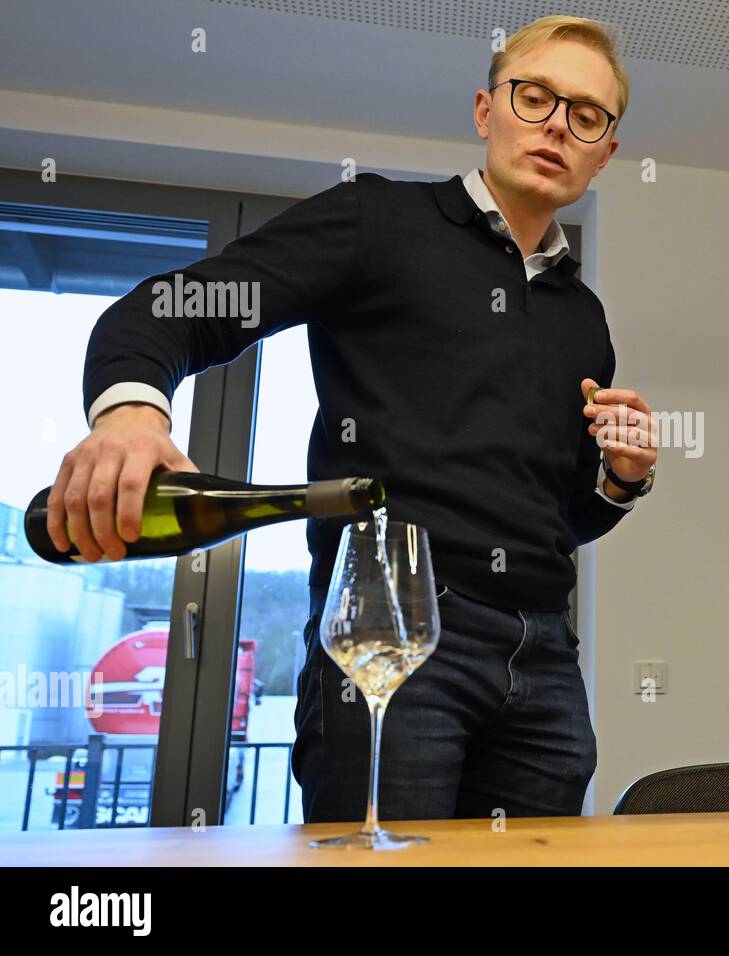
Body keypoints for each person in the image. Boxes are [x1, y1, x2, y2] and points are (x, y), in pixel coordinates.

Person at [44, 15, 656, 822]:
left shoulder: (586, 319)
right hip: (393, 632)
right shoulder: (375, 223)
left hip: (545, 662)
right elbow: (168, 310)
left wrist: (617, 481)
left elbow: (557, 517)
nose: (555, 126)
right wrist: (128, 414)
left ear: (605, 151)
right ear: (485, 110)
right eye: (534, 96)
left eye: (586, 116)